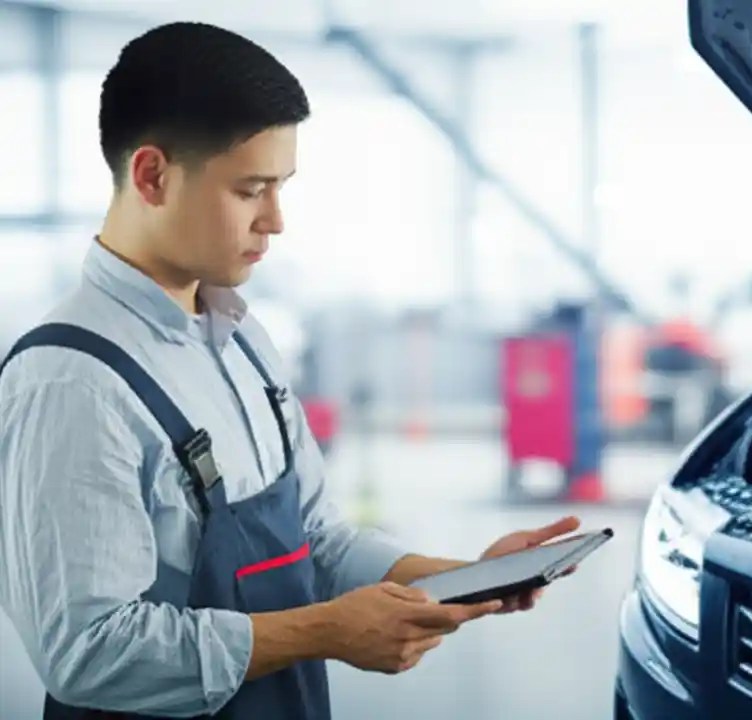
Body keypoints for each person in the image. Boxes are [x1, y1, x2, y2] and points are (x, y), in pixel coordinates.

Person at [0, 22, 581, 719]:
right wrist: (324, 631)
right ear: (152, 176)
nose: (275, 220)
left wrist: (465, 580)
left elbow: (315, 540)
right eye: (251, 190)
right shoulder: (71, 383)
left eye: (281, 187)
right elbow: (86, 653)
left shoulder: (242, 340)